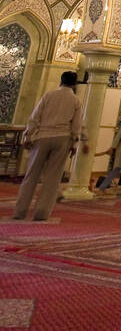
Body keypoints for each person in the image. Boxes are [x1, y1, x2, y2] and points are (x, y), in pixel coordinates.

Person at [12, 71, 88, 222]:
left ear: (61, 81)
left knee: (31, 175)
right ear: (74, 84)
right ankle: (41, 213)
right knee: (52, 178)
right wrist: (75, 143)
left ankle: (20, 212)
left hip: (42, 137)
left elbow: (35, 116)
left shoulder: (48, 95)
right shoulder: (75, 101)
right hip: (62, 139)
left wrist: (28, 135)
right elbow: (77, 124)